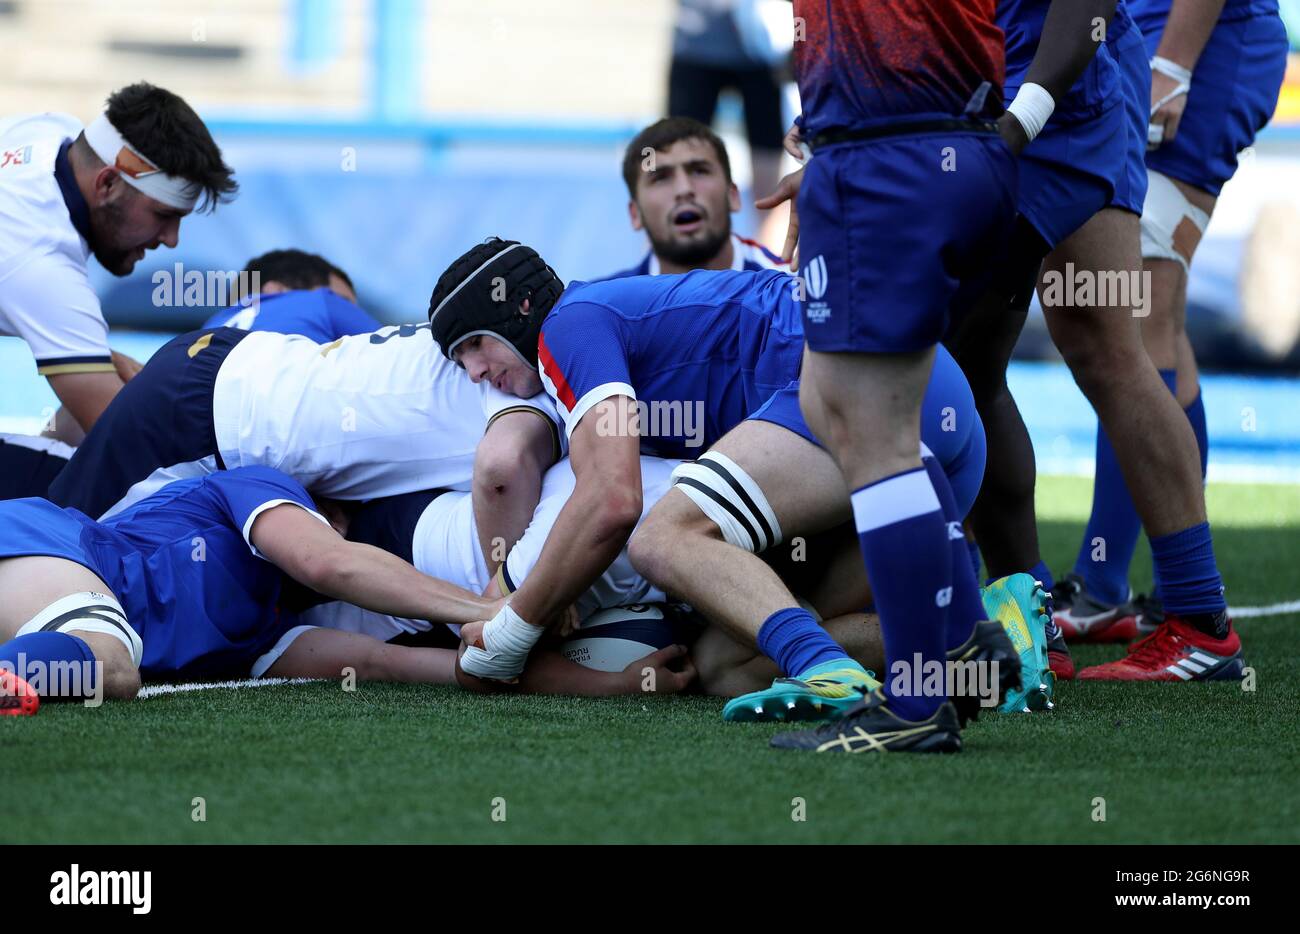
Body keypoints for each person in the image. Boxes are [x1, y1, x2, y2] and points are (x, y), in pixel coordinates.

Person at [426, 242, 1029, 738]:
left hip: (849, 383)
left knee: (663, 539)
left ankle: (827, 670)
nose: (476, 372)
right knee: (725, 663)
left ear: (519, 305)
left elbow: (612, 501)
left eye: (473, 345)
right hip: (928, 415)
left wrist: (515, 625)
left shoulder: (568, 325)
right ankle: (978, 640)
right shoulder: (601, 324)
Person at [947, 0, 1243, 685]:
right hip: (1036, 98)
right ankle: (1045, 624)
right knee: (1048, 355)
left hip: (1046, 100)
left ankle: (1032, 622)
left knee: (967, 360)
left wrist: (1018, 119)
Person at [1057, 0, 1290, 648]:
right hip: (1143, 42)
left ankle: (1108, 583)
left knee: (1137, 314)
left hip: (1200, 41)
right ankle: (1169, 590)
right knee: (1150, 321)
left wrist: (1173, 63)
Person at [45, 313, 562, 579]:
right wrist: (518, 593)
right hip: (209, 417)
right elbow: (502, 468)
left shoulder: (510, 353)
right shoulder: (524, 381)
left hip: (230, 370)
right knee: (48, 551)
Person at [0, 466, 500, 710]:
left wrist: (502, 652)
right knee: (110, 665)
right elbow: (329, 563)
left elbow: (380, 664)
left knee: (109, 664)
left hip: (44, 594)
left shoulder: (264, 631)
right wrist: (491, 609)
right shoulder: (253, 485)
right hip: (46, 545)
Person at [0, 83, 236, 442]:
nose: (171, 239)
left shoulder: (47, 131)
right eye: (164, 215)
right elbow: (129, 448)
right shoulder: (42, 262)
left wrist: (97, 354)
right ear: (107, 182)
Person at [666, 0, 790, 247]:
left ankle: (769, 264)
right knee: (674, 170)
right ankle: (665, 263)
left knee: (769, 179)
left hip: (763, 52)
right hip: (696, 47)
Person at [604, 117, 787, 279]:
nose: (684, 189)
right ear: (635, 214)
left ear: (733, 195)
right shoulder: (605, 308)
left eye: (700, 171)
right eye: (661, 178)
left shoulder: (790, 293)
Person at [202, 248, 382, 342]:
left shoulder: (205, 330)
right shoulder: (320, 302)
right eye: (344, 303)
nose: (351, 316)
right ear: (274, 290)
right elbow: (398, 353)